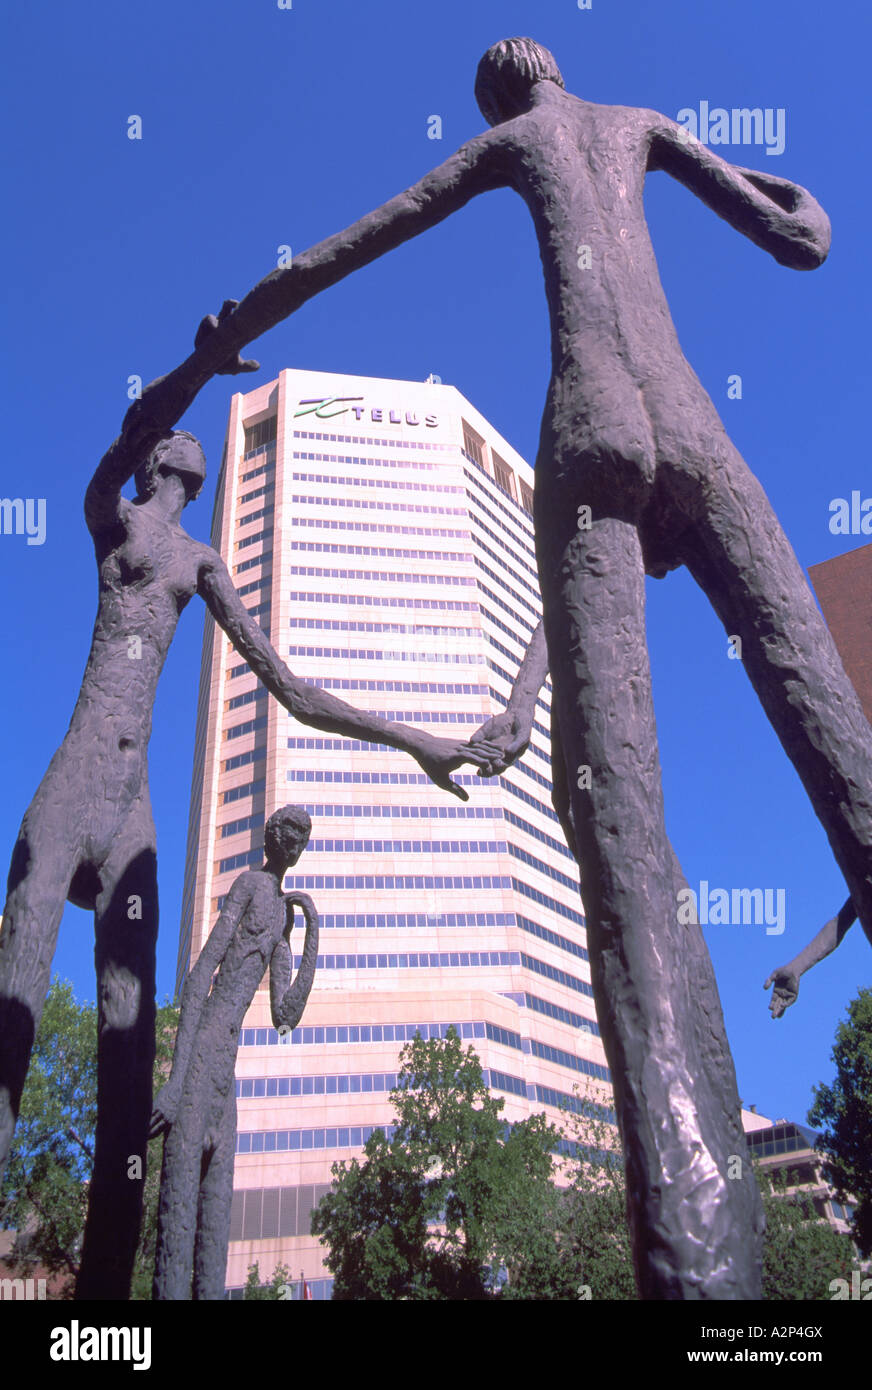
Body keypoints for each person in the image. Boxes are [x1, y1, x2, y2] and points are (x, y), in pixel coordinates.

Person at [205, 37, 872, 1293]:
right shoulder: (636, 122)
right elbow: (801, 237)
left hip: (586, 434)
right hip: (688, 417)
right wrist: (797, 197)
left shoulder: (509, 146)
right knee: (829, 727)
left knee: (614, 822)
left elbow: (361, 238)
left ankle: (697, 1274)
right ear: (555, 69)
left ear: (500, 98)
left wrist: (239, 318)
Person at [0, 321, 496, 1299]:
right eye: (172, 435)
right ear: (158, 458)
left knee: (129, 1067)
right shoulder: (117, 521)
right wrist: (197, 365)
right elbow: (123, 435)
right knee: (12, 1021)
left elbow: (294, 688)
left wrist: (422, 742)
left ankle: (107, 1318)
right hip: (69, 792)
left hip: (133, 814)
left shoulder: (200, 561)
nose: (185, 445)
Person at [150, 805, 318, 1300]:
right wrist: (175, 1085)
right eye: (292, 832)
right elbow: (200, 975)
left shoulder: (285, 914)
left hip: (228, 1069)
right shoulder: (248, 885)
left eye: (303, 837)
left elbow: (284, 1014)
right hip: (202, 1053)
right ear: (274, 837)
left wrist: (312, 935)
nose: (297, 842)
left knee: (216, 1217)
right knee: (178, 1219)